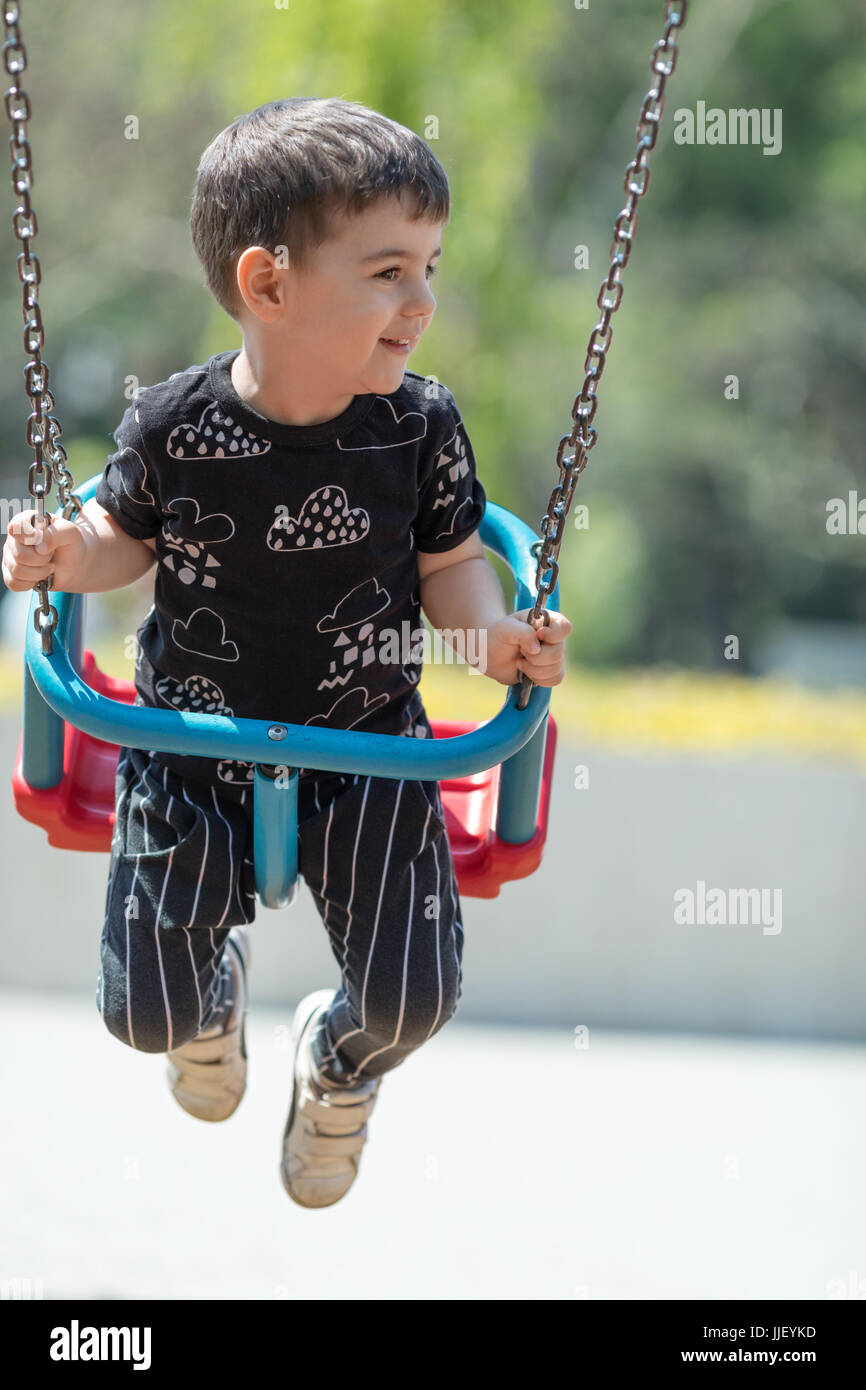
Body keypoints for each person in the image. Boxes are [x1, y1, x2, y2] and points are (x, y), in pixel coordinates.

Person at [1, 97, 571, 1209]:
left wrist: (493, 638)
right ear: (268, 285)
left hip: (366, 742)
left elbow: (447, 566)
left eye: (429, 268)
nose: (422, 302)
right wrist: (65, 553)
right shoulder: (174, 422)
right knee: (142, 1013)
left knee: (410, 998)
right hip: (188, 740)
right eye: (388, 271)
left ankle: (338, 1063)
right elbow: (123, 540)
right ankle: (207, 994)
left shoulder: (420, 424)